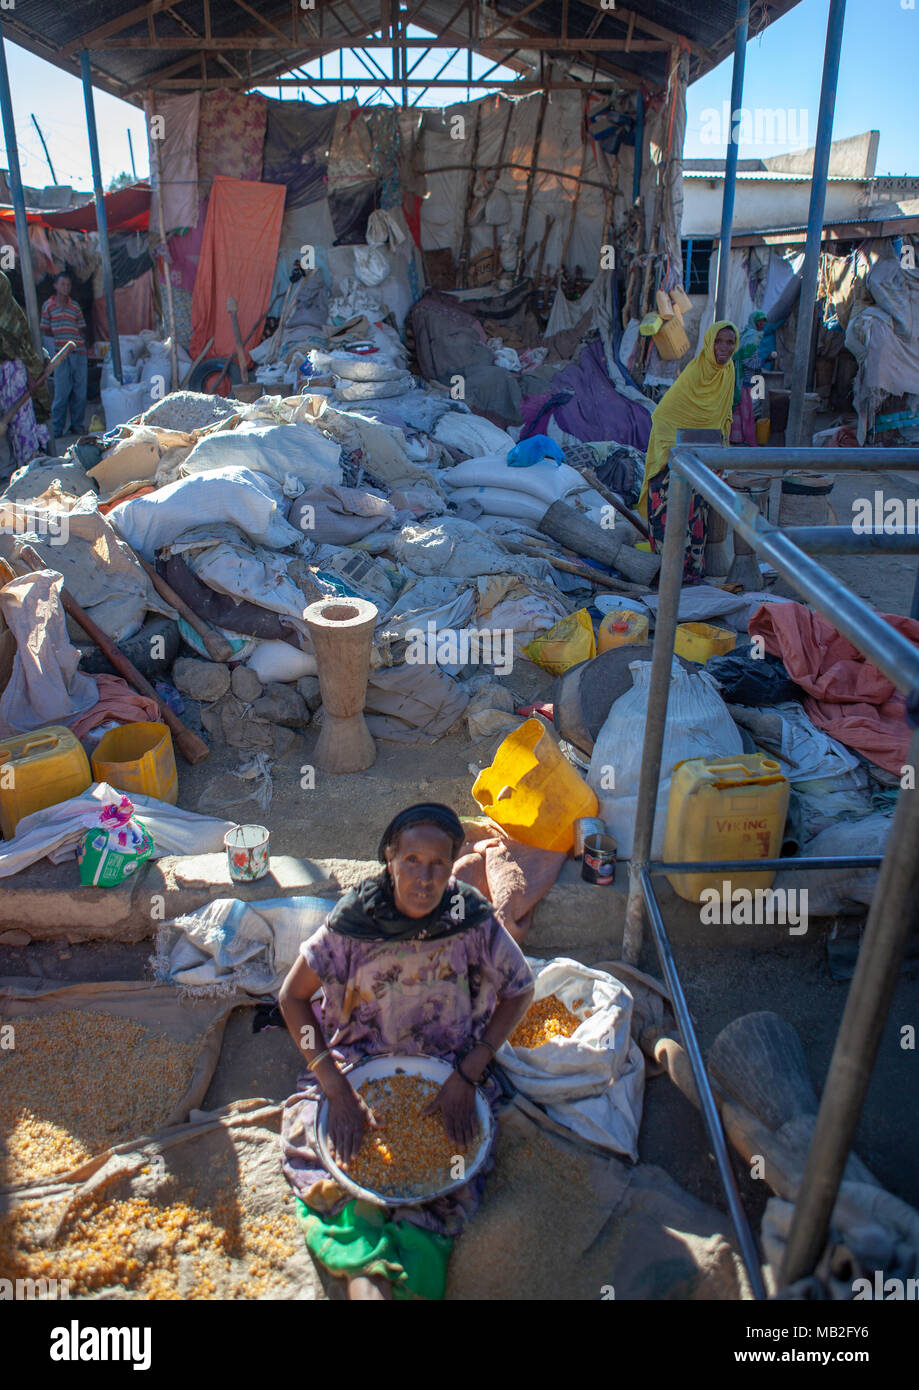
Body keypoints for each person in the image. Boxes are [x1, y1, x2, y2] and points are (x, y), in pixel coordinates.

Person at [279, 802, 535, 1301]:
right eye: (411, 861)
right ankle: (364, 1275)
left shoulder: (471, 918)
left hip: (449, 1068)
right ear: (390, 859)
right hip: (357, 1065)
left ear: (453, 865)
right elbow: (291, 997)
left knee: (449, 1178)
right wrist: (334, 1086)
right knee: (330, 1169)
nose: (425, 877)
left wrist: (471, 1071)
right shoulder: (352, 923)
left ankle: (409, 1265)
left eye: (439, 863)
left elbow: (520, 989)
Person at [636, 320, 738, 581]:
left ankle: (691, 570)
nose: (724, 348)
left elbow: (724, 416)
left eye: (730, 342)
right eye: (719, 341)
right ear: (709, 343)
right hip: (676, 459)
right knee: (672, 511)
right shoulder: (695, 373)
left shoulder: (728, 373)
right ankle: (666, 570)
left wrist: (720, 452)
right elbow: (663, 416)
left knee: (698, 511)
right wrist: (677, 452)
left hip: (704, 458)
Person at [0, 271, 50, 471]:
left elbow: (25, 348)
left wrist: (32, 375)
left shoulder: (13, 316)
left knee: (22, 429)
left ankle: (29, 472)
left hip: (14, 376)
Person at [39, 272, 88, 438]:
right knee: (61, 394)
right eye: (63, 284)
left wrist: (81, 343)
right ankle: (57, 430)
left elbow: (81, 328)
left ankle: (77, 426)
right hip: (60, 355)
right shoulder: (48, 306)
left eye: (68, 285)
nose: (66, 288)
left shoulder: (74, 306)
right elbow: (45, 330)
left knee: (80, 393)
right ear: (55, 286)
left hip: (78, 352)